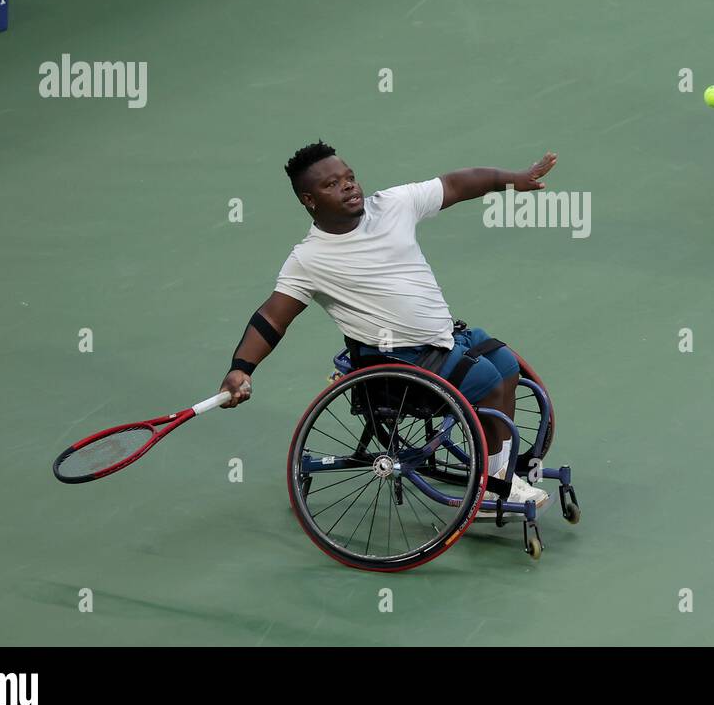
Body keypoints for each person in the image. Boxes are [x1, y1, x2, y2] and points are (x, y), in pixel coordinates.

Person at [218, 140, 559, 507]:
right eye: (331, 184)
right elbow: (271, 317)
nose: (348, 185)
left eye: (349, 177)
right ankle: (492, 489)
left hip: (444, 339)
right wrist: (241, 369)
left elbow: (457, 184)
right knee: (487, 382)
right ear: (309, 200)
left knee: (505, 365)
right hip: (399, 362)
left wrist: (515, 179)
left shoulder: (392, 205)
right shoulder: (309, 259)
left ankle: (498, 471)